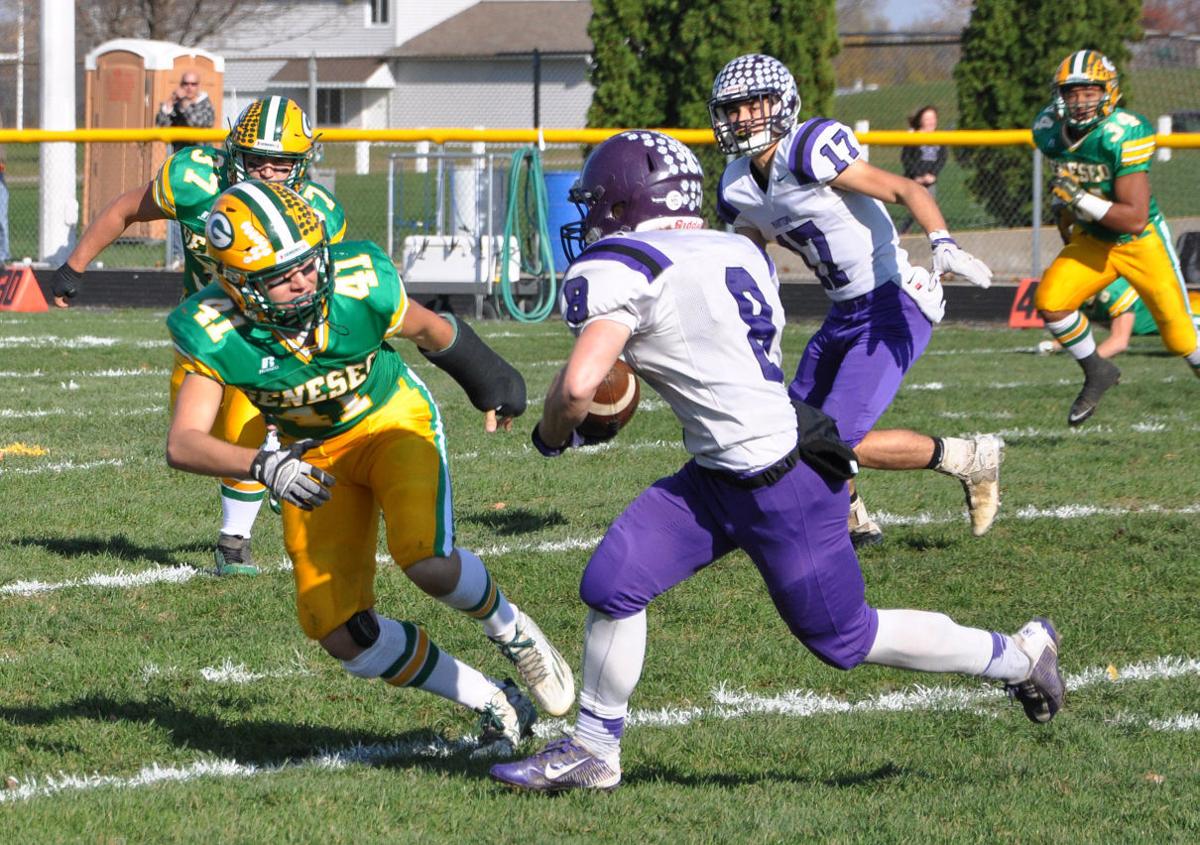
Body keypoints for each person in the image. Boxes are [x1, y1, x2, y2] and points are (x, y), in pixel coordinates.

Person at [488, 131, 1063, 793]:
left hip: (783, 485)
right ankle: (595, 749)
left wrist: (553, 434)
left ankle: (1019, 656)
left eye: (596, 202)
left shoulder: (622, 265)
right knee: (613, 582)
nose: (589, 217)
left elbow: (579, 386)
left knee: (846, 639)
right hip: (719, 474)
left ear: (625, 203)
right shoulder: (734, 249)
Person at [167, 179, 575, 752]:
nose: (305, 281)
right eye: (283, 276)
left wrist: (489, 378)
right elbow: (184, 442)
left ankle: (513, 631)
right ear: (238, 284)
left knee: (425, 559)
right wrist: (264, 465)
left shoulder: (357, 283)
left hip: (388, 420)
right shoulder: (212, 328)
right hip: (309, 457)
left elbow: (430, 328)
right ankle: (493, 699)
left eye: (308, 264)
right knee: (341, 632)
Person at [706, 53, 1001, 546]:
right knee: (788, 428)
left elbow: (905, 189)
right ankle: (852, 516)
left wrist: (943, 242)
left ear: (782, 104)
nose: (743, 118)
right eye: (733, 109)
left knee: (836, 437)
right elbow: (751, 259)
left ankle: (969, 457)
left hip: (892, 304)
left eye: (754, 105)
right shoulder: (737, 185)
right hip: (842, 312)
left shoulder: (808, 150)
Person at [49, 96, 346, 576]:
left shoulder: (316, 210)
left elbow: (329, 284)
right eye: (257, 159)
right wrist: (74, 266)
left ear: (301, 163)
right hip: (204, 327)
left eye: (281, 163)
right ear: (235, 151)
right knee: (192, 437)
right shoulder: (196, 179)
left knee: (245, 431)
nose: (268, 172)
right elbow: (126, 209)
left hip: (267, 334)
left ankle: (234, 541)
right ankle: (274, 452)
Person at [1033, 49, 1200, 426]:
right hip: (1093, 239)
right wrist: (1067, 216)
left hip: (1140, 243)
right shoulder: (1048, 129)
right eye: (1072, 93)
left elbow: (1135, 218)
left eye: (1089, 92)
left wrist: (1078, 198)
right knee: (1051, 301)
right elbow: (1065, 198)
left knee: (1180, 338)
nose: (1080, 101)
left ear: (1108, 92)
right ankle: (1097, 370)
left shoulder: (1122, 131)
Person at [897, 105, 947, 235]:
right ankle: (903, 232)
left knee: (930, 207)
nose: (931, 122)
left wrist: (933, 174)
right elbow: (906, 158)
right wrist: (917, 176)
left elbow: (942, 158)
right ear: (920, 121)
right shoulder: (914, 136)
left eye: (933, 118)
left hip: (930, 179)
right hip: (915, 179)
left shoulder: (939, 137)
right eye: (927, 119)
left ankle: (933, 233)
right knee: (917, 207)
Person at [156, 70, 216, 153]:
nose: (189, 87)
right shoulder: (177, 105)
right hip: (180, 154)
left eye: (193, 84)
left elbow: (196, 123)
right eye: (185, 84)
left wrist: (184, 103)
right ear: (181, 85)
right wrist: (169, 104)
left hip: (202, 154)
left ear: (198, 86)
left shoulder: (206, 105)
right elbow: (161, 124)